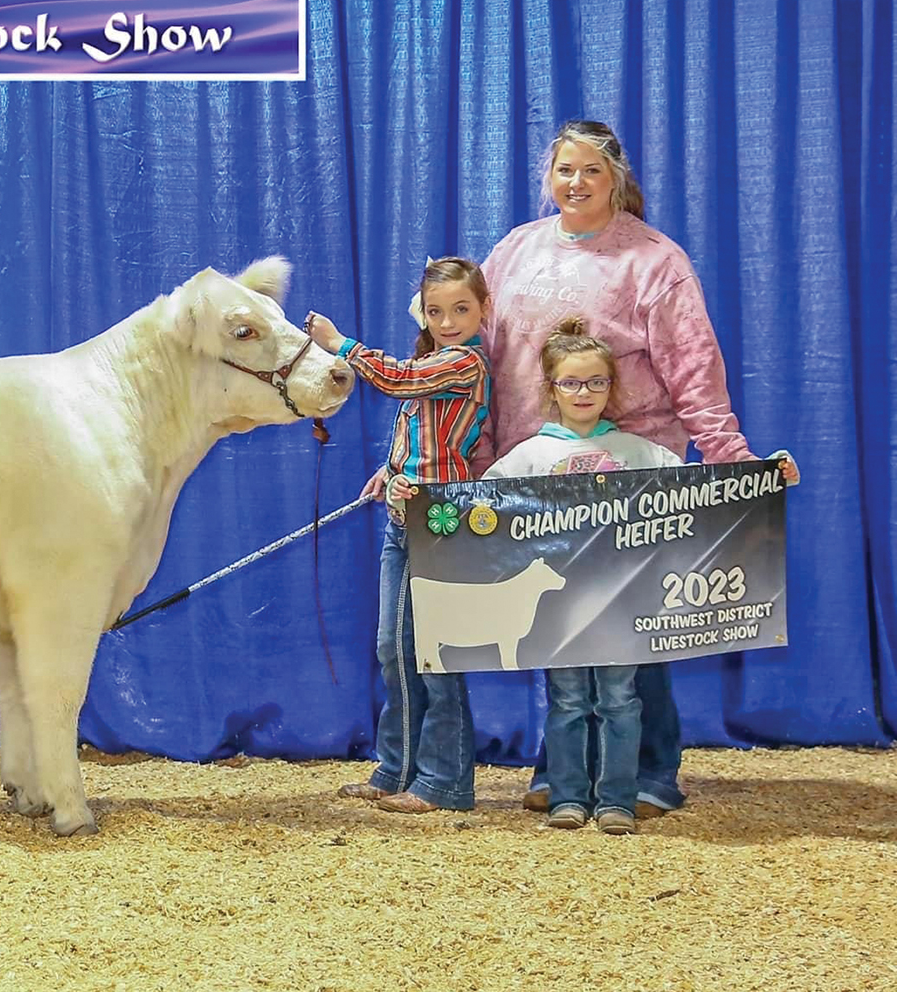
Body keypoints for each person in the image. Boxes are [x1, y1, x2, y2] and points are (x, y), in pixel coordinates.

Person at [362, 120, 798, 818]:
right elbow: (475, 359)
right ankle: (564, 769)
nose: (575, 183)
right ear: (549, 176)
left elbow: (694, 370)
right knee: (555, 620)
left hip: (630, 467)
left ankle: (649, 772)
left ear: (616, 177)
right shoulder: (514, 252)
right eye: (564, 169)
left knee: (633, 624)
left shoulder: (655, 261)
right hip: (530, 467)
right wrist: (443, 457)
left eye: (591, 170)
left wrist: (733, 464)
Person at [480, 319, 798, 834]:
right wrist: (415, 501)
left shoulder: (642, 453)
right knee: (566, 701)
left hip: (625, 608)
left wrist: (767, 477)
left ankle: (617, 801)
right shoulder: (527, 457)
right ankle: (566, 796)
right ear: (551, 388)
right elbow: (483, 515)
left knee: (621, 701)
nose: (584, 393)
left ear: (612, 387)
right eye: (571, 383)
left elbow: (703, 498)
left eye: (596, 382)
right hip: (559, 611)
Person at [311, 258, 492, 813]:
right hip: (404, 518)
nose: (448, 320)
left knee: (432, 653)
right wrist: (391, 470)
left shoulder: (464, 363)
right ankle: (397, 767)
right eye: (436, 311)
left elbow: (397, 381)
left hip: (440, 522)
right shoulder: (437, 359)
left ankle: (444, 781)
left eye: (461, 309)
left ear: (484, 310)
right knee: (395, 649)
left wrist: (342, 345)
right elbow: (421, 431)